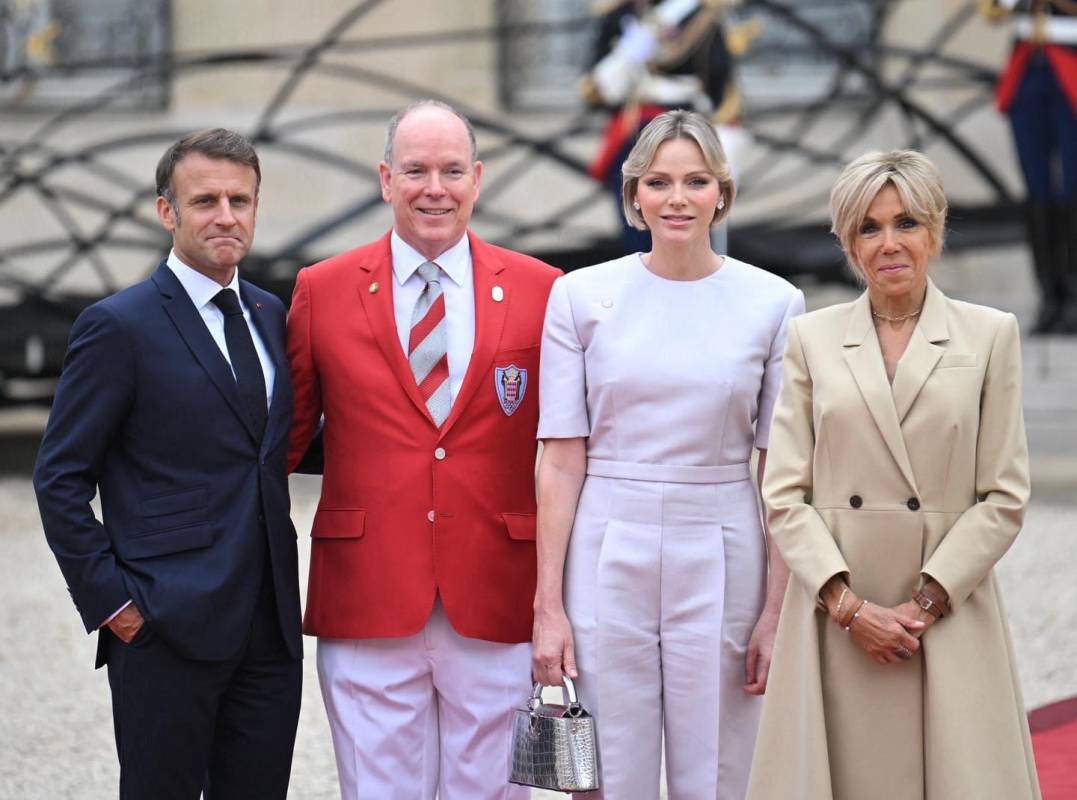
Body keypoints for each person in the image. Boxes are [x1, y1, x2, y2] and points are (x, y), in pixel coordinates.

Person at [286, 100, 561, 800]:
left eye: (449, 171)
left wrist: (563, 599)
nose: (432, 188)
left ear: (477, 179)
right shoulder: (321, 291)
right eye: (414, 170)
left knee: (493, 791)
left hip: (497, 593)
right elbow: (280, 443)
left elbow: (568, 451)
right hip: (367, 592)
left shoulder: (543, 290)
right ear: (384, 179)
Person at [747, 150, 1041, 799]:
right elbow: (783, 493)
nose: (888, 244)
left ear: (934, 232)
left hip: (945, 611)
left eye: (905, 223)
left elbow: (1003, 494)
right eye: (867, 227)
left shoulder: (989, 335)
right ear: (847, 243)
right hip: (836, 617)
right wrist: (850, 609)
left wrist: (923, 603)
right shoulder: (810, 339)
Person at [533, 109, 804, 799]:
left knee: (720, 763)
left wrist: (776, 610)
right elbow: (560, 458)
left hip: (723, 535)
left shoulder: (774, 303)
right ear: (634, 196)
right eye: (657, 181)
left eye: (695, 180)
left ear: (722, 192)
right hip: (604, 539)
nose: (676, 198)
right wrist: (547, 606)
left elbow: (781, 469)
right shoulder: (578, 295)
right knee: (605, 767)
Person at [33, 129, 303, 798]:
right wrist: (115, 605)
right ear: (166, 212)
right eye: (205, 200)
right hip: (164, 625)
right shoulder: (117, 326)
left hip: (270, 627)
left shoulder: (271, 313)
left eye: (239, 199)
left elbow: (276, 440)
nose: (225, 216)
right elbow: (60, 477)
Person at [583, 0, 743, 253]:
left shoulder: (701, 16)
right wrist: (625, 59)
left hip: (689, 127)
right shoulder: (620, 15)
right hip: (637, 130)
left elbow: (719, 84)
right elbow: (596, 93)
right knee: (637, 227)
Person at [984, 0, 1077, 333]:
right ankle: (1050, 297)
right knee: (1036, 186)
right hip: (1028, 66)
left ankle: (1074, 299)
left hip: (1072, 61)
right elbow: (994, 11)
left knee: (1073, 185)